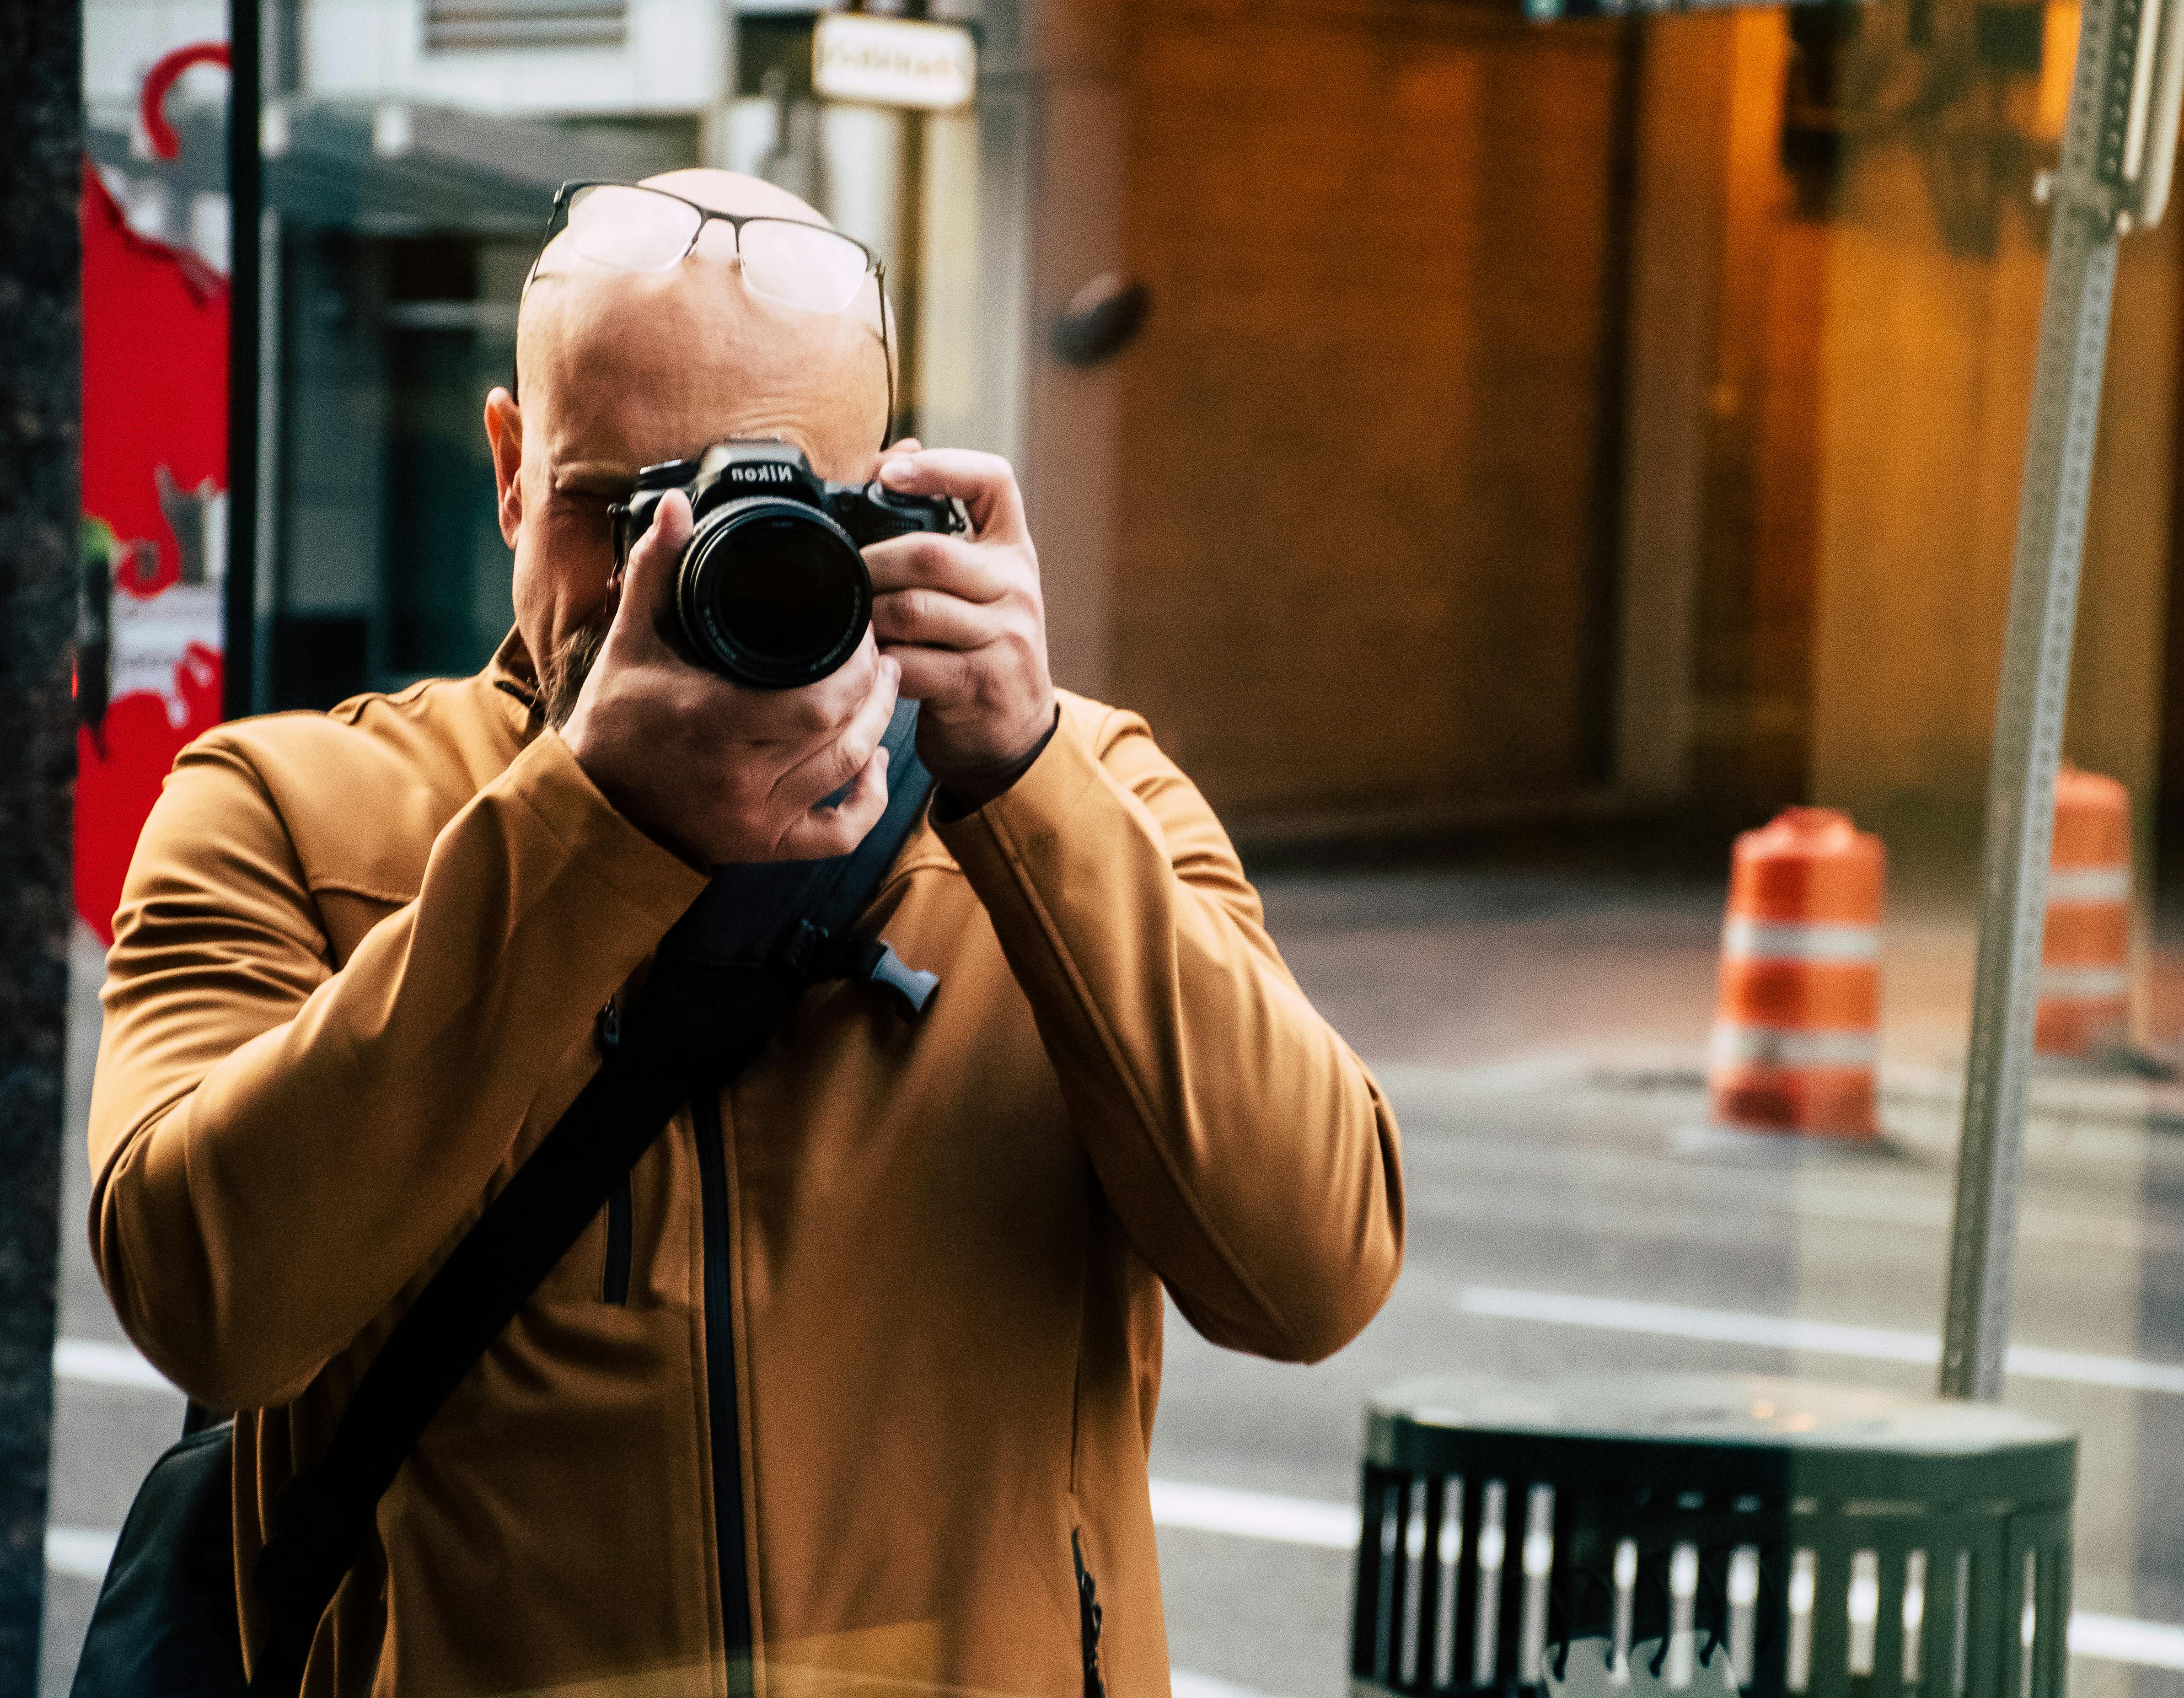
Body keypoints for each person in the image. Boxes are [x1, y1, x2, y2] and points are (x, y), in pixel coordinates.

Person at [87, 168, 1404, 1698]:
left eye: (768, 514)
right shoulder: (289, 812)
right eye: (615, 507)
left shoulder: (1085, 790)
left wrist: (1024, 778)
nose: (676, 569)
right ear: (511, 466)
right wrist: (592, 831)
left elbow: (1312, 1274)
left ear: (894, 499)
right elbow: (205, 1300)